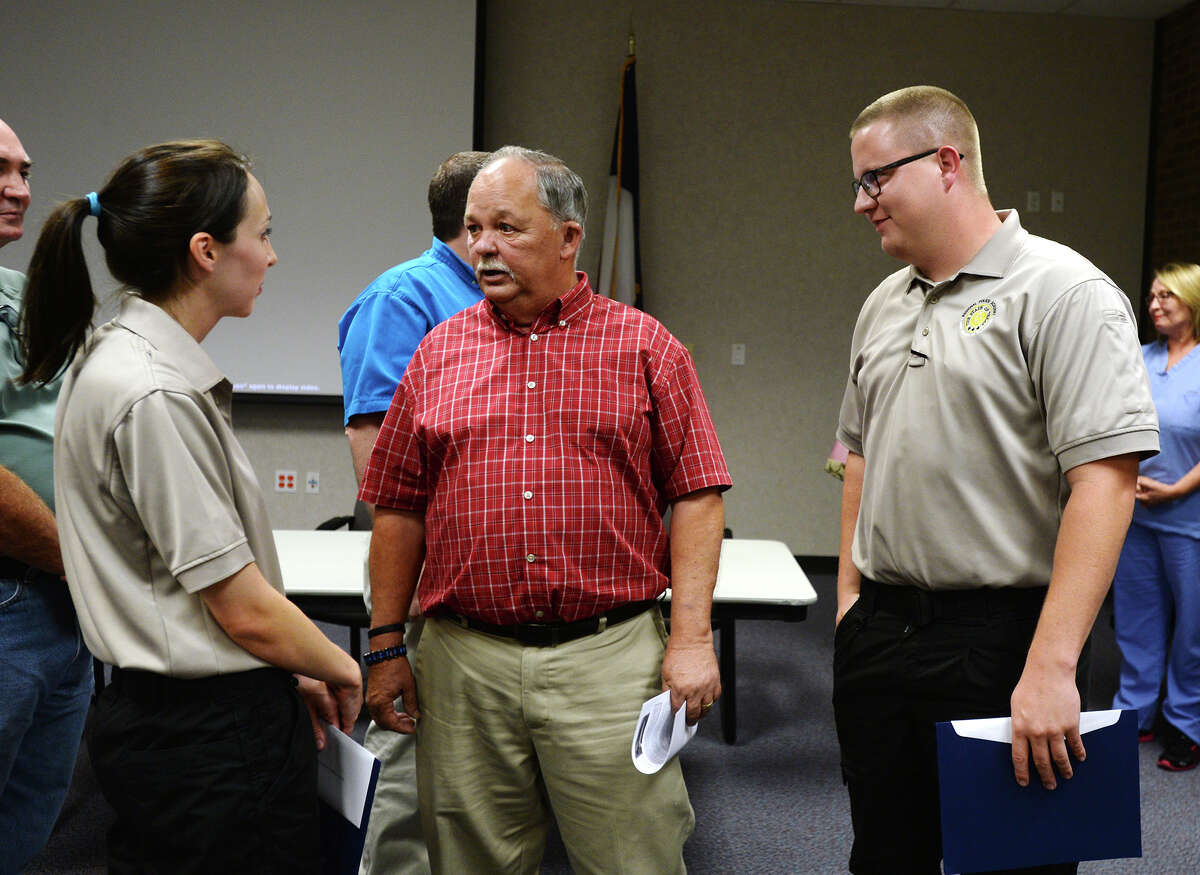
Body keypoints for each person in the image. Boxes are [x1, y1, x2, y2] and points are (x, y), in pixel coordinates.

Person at [359, 145, 731, 874]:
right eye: (473, 229)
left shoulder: (645, 347)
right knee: (468, 859)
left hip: (608, 656)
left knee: (633, 858)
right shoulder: (436, 353)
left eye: (506, 227)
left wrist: (690, 638)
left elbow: (696, 493)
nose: (484, 247)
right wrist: (383, 646)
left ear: (568, 237)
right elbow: (397, 509)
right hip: (464, 660)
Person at [834, 86, 1159, 874]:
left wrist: (1051, 669)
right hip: (880, 635)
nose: (859, 203)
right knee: (884, 857)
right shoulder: (884, 302)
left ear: (946, 163)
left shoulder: (1064, 292)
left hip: (1004, 640)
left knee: (1015, 867)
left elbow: (1105, 485)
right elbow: (859, 456)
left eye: (875, 179)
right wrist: (848, 605)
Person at [19, 140, 363, 873]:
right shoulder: (157, 392)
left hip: (177, 720)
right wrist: (340, 662)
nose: (272, 257)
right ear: (206, 250)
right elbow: (236, 604)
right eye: (263, 234)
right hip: (208, 738)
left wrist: (285, 664)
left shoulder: (115, 354)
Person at [337, 149, 488, 875]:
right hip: (420, 564)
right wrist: (411, 561)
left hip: (478, 572)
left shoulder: (491, 296)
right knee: (405, 735)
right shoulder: (404, 296)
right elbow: (372, 437)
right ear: (473, 220)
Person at [0, 117, 93, 875]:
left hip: (61, 612)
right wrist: (88, 563)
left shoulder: (20, 294)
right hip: (14, 596)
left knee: (27, 833)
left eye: (25, 171)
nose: (19, 189)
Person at [1111, 262, 1200, 772]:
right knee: (1137, 622)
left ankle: (1186, 725)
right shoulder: (1139, 359)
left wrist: (1175, 489)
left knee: (1192, 629)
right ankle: (1135, 713)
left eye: (1168, 295)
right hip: (1137, 515)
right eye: (1152, 296)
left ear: (1192, 301)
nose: (1156, 304)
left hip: (1189, 518)